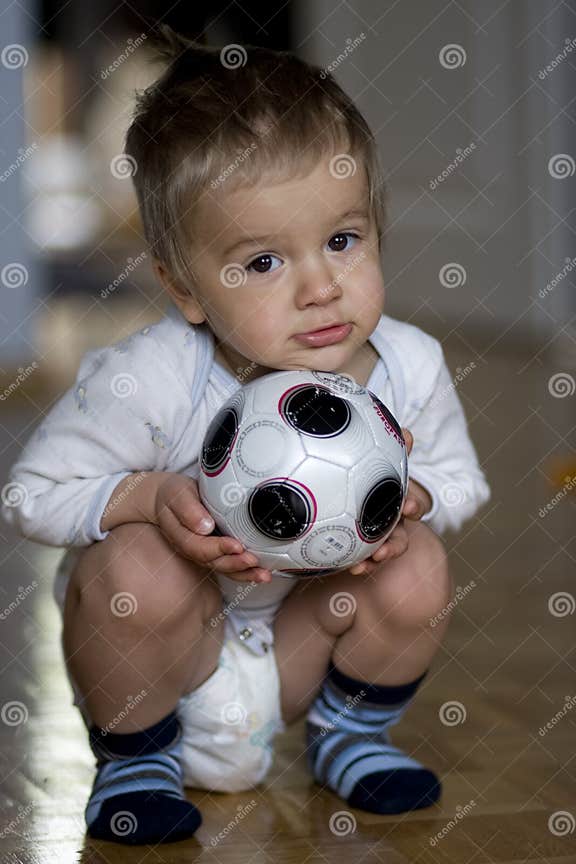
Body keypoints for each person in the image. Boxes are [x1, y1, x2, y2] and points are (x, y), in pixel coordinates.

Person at [1, 28, 491, 846]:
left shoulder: (408, 363)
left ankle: (350, 735)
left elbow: (464, 481)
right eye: (263, 262)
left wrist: (415, 495)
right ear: (184, 286)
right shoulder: (148, 376)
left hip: (296, 649)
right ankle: (135, 760)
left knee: (420, 564)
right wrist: (145, 497)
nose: (320, 287)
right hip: (167, 660)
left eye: (343, 240)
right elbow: (30, 496)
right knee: (133, 562)